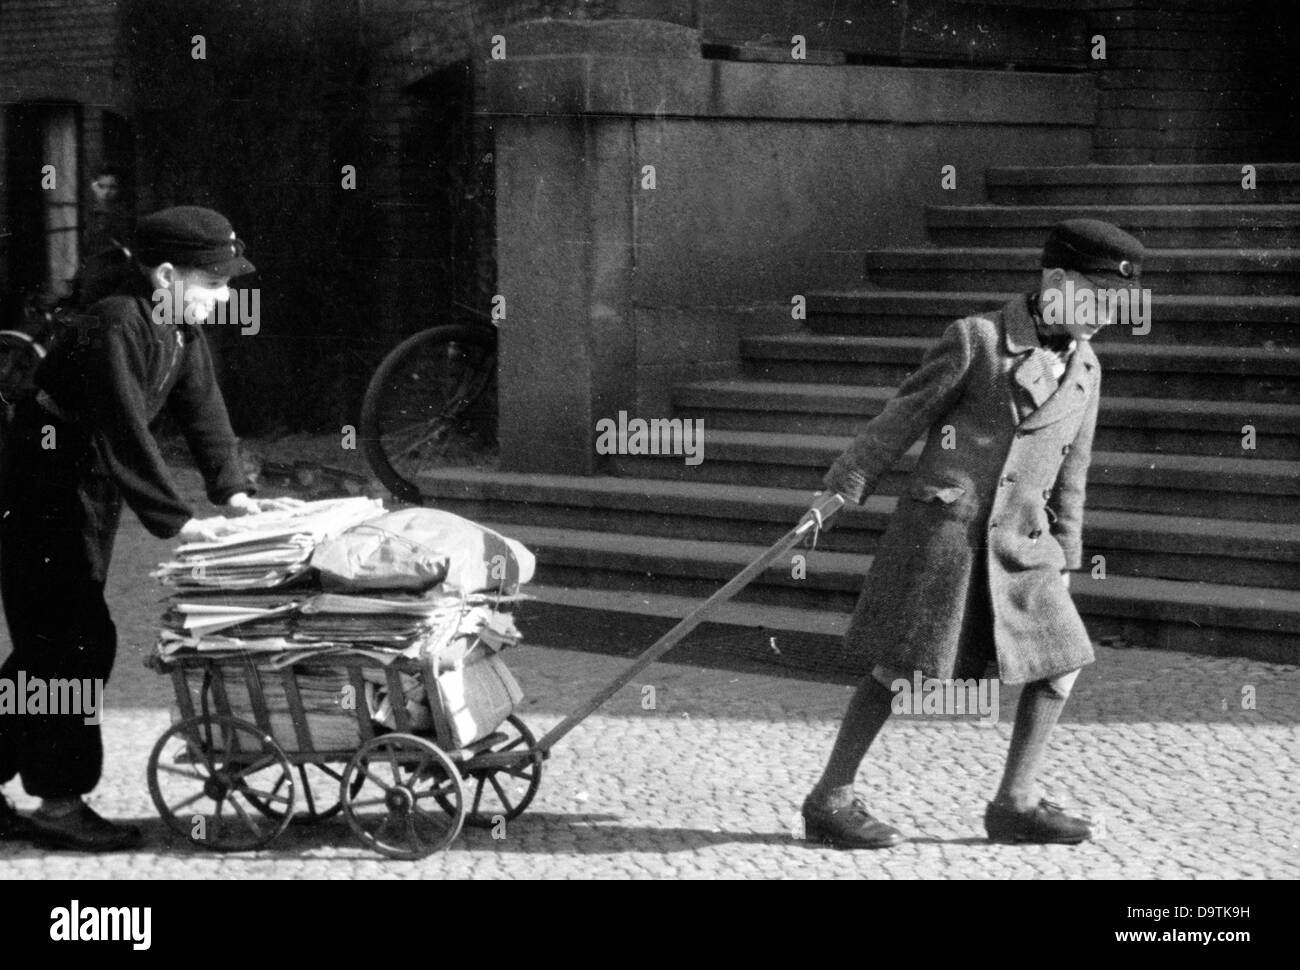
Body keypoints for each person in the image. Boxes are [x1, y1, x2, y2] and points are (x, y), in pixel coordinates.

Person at [800, 219, 1145, 848]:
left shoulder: (1087, 368)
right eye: (1098, 299)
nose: (1109, 315)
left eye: (1119, 304)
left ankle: (1015, 801)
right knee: (902, 670)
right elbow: (903, 416)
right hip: (949, 532)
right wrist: (845, 483)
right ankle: (829, 797)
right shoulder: (978, 339)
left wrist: (1067, 552)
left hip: (1023, 542)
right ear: (1055, 282)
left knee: (1062, 661)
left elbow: (1074, 471)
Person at [0, 205, 297, 851]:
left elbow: (203, 410)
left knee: (60, 637)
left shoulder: (176, 324)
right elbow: (122, 429)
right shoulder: (116, 322)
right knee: (67, 640)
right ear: (167, 274)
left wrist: (237, 494)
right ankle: (58, 801)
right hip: (43, 480)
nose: (224, 298)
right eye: (214, 283)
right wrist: (180, 524)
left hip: (85, 485)